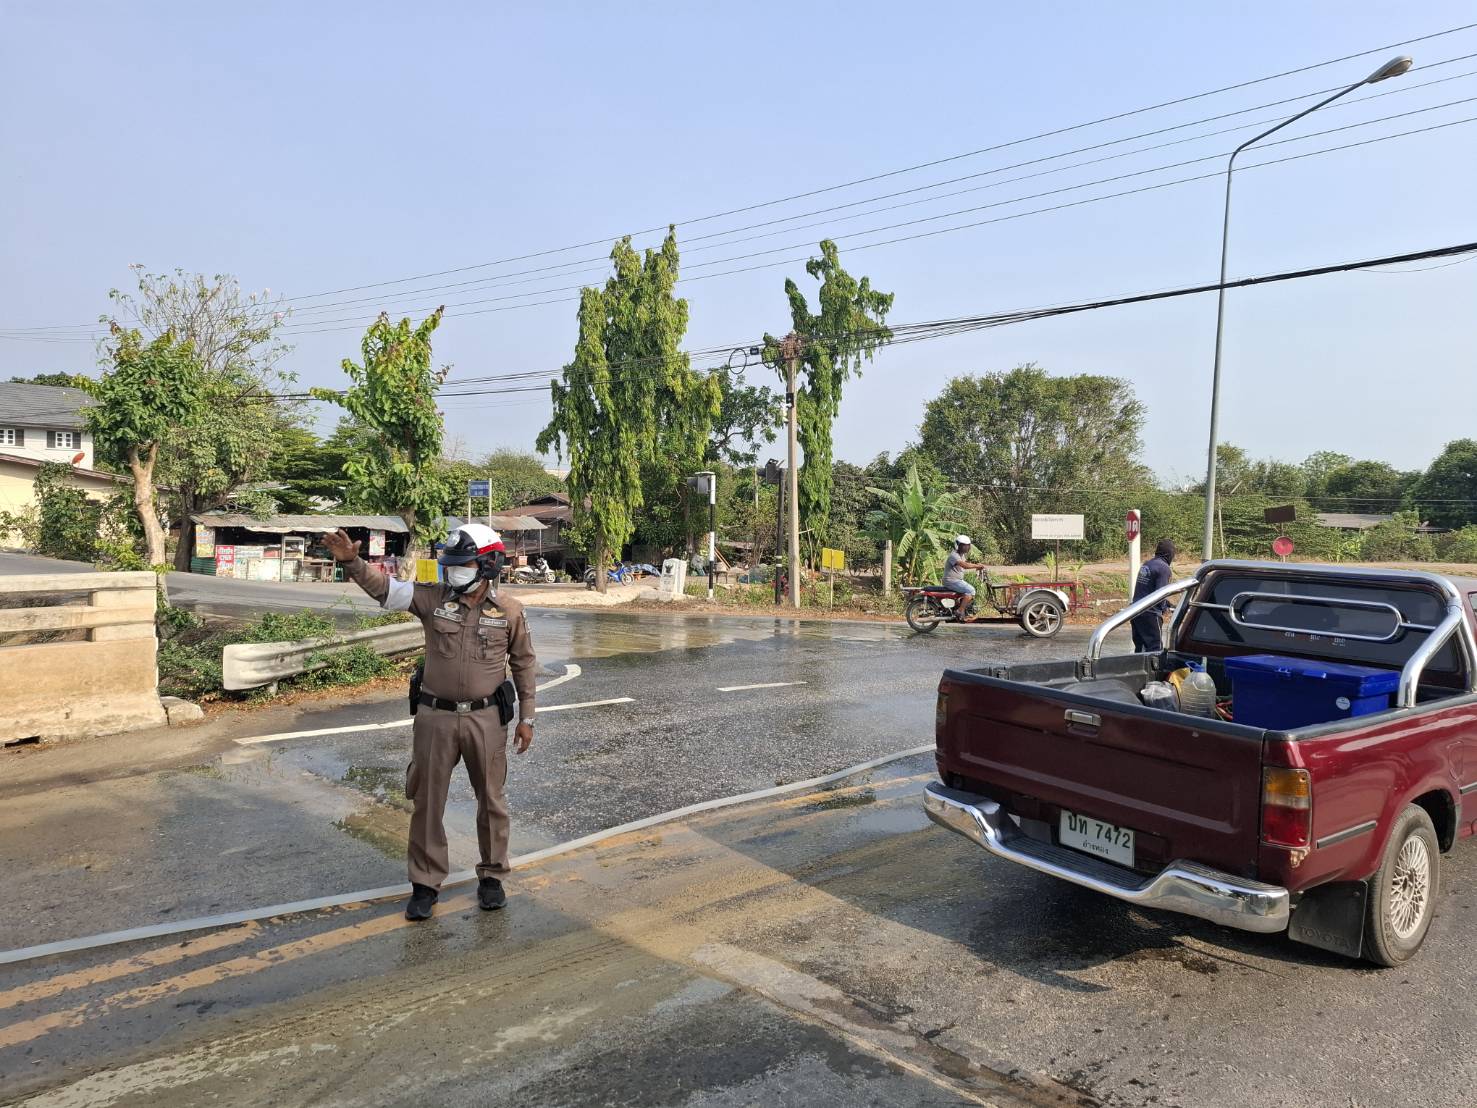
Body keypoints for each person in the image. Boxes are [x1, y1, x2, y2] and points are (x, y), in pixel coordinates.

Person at [322, 523, 538, 921]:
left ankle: (491, 877)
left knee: (491, 800)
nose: (454, 571)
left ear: (488, 564)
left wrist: (527, 718)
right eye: (450, 564)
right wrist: (353, 563)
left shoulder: (508, 611)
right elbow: (384, 589)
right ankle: (424, 884)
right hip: (434, 717)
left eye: (463, 564)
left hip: (486, 719)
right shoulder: (431, 599)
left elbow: (523, 664)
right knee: (427, 801)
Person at [1131, 539, 1177, 653]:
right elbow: (1160, 594)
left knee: (1140, 649)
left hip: (1135, 612)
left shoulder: (1147, 564)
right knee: (1155, 649)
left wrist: (1168, 604)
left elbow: (1147, 590)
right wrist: (1164, 608)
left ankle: (1138, 670)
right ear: (1169, 554)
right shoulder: (1164, 568)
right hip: (1150, 614)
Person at [942, 535, 989, 620]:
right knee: (971, 590)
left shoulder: (961, 555)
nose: (966, 547)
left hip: (956, 580)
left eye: (967, 545)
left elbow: (966, 564)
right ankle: (960, 610)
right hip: (951, 581)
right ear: (958, 545)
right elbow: (965, 565)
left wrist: (977, 566)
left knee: (966, 593)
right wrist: (977, 566)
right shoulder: (954, 555)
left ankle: (963, 612)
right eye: (963, 545)